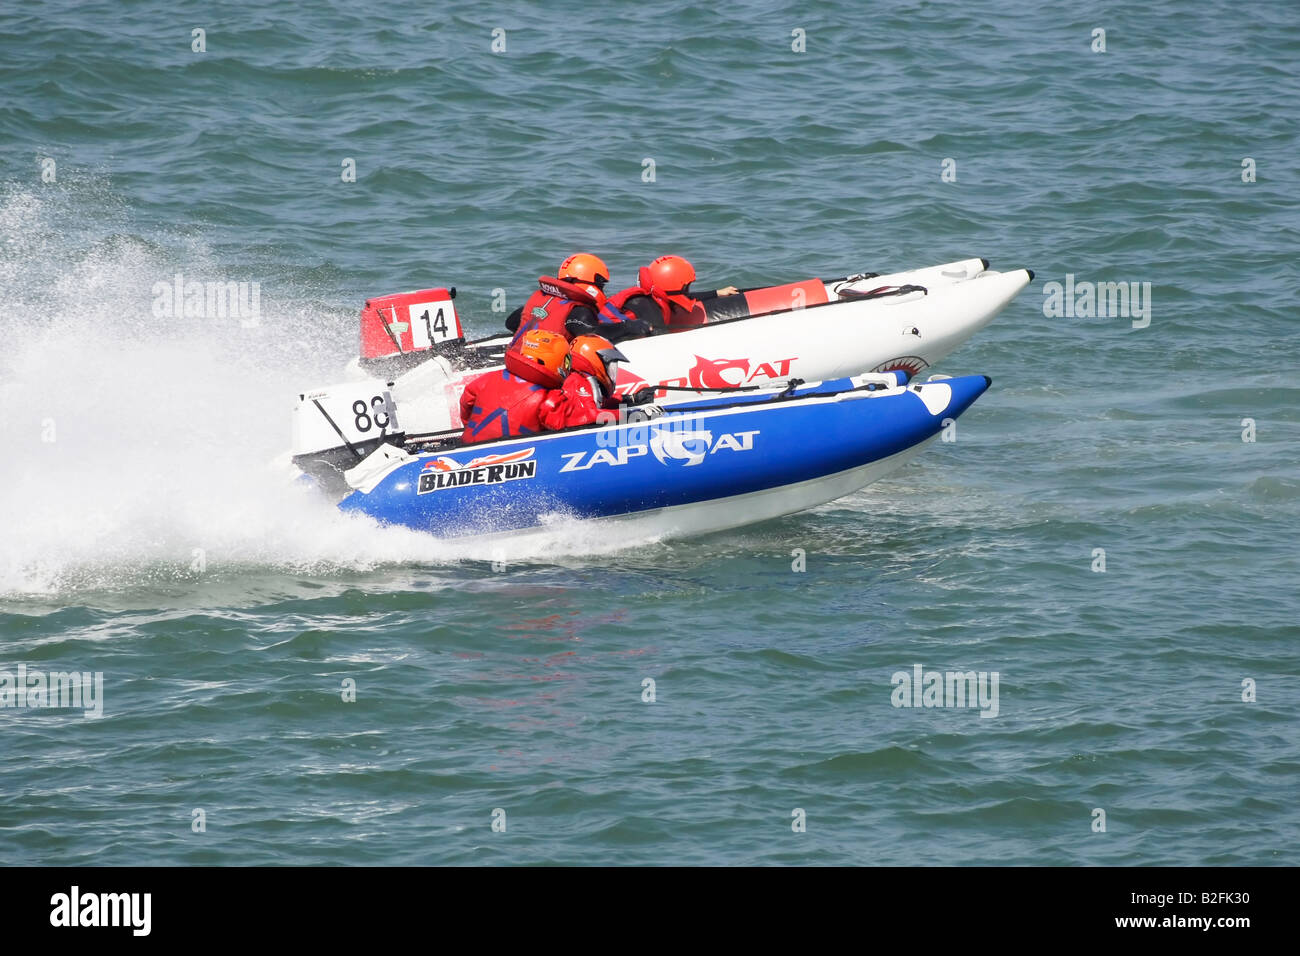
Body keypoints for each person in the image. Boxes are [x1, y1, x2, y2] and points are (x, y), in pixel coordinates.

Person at [459, 329, 587, 444]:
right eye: (566, 361)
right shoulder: (548, 397)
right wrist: (604, 415)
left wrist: (471, 426)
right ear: (555, 359)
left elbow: (466, 400)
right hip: (513, 457)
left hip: (467, 444)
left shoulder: (489, 377)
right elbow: (576, 421)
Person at [505, 253, 654, 345]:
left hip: (519, 354)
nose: (602, 291)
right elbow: (591, 331)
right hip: (543, 368)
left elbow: (511, 322)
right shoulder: (579, 309)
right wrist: (628, 327)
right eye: (601, 286)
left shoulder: (545, 299)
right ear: (590, 283)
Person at [598, 255, 739, 334]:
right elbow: (660, 340)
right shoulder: (646, 305)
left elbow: (685, 297)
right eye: (687, 287)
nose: (688, 291)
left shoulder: (654, 297)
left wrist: (717, 293)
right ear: (674, 284)